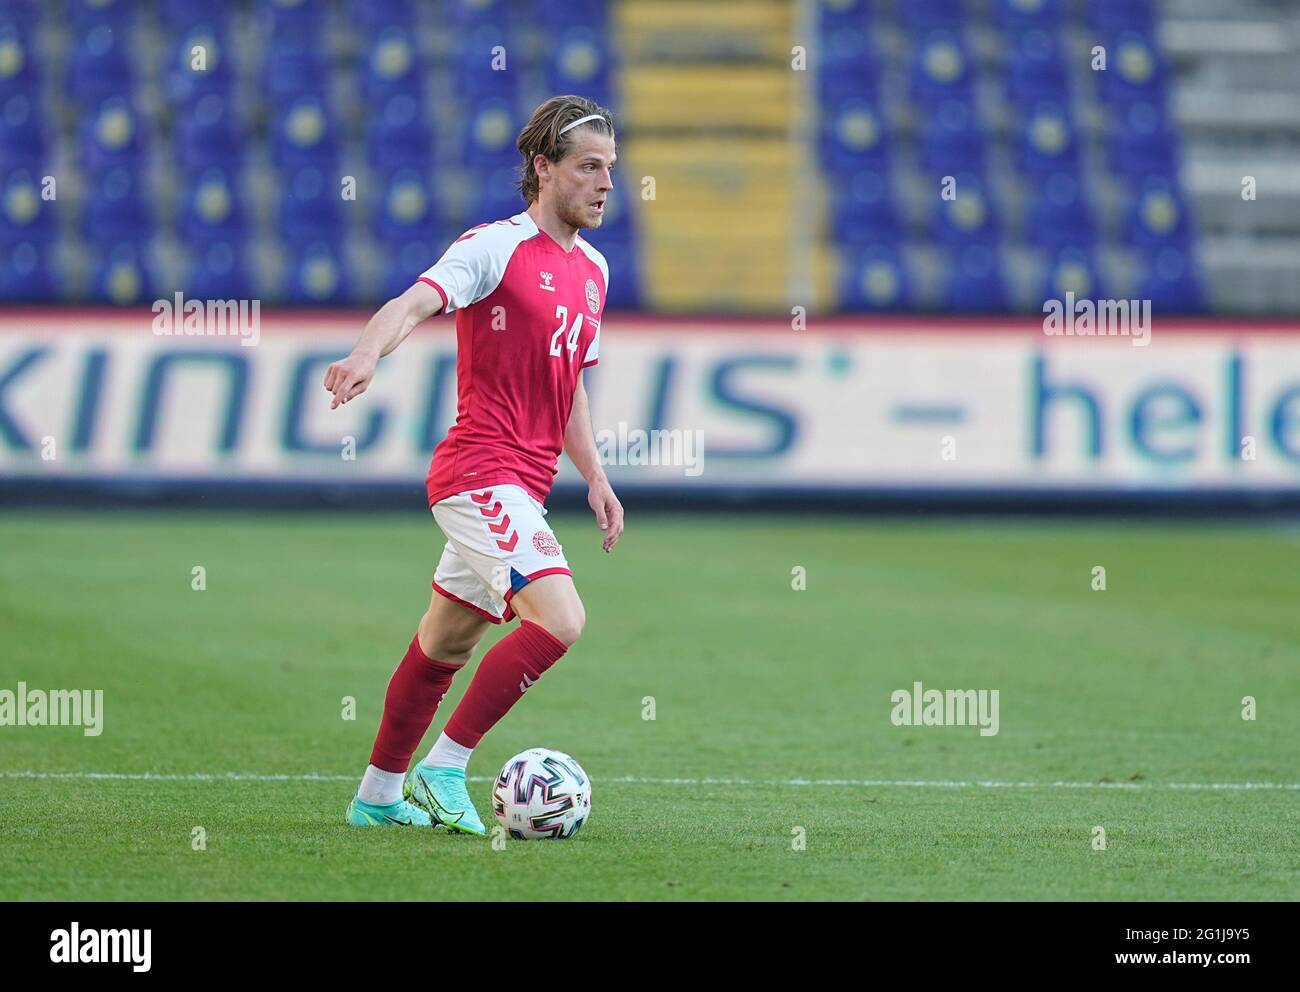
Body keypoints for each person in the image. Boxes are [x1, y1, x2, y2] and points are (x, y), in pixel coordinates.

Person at [324, 95, 624, 833]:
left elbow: (570, 383)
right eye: (589, 167)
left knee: (444, 643)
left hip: (526, 485)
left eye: (611, 169)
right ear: (542, 167)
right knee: (560, 620)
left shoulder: (594, 270)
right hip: (478, 472)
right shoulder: (494, 247)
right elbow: (412, 302)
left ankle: (378, 797)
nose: (606, 183)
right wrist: (368, 352)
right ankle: (445, 766)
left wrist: (597, 477)